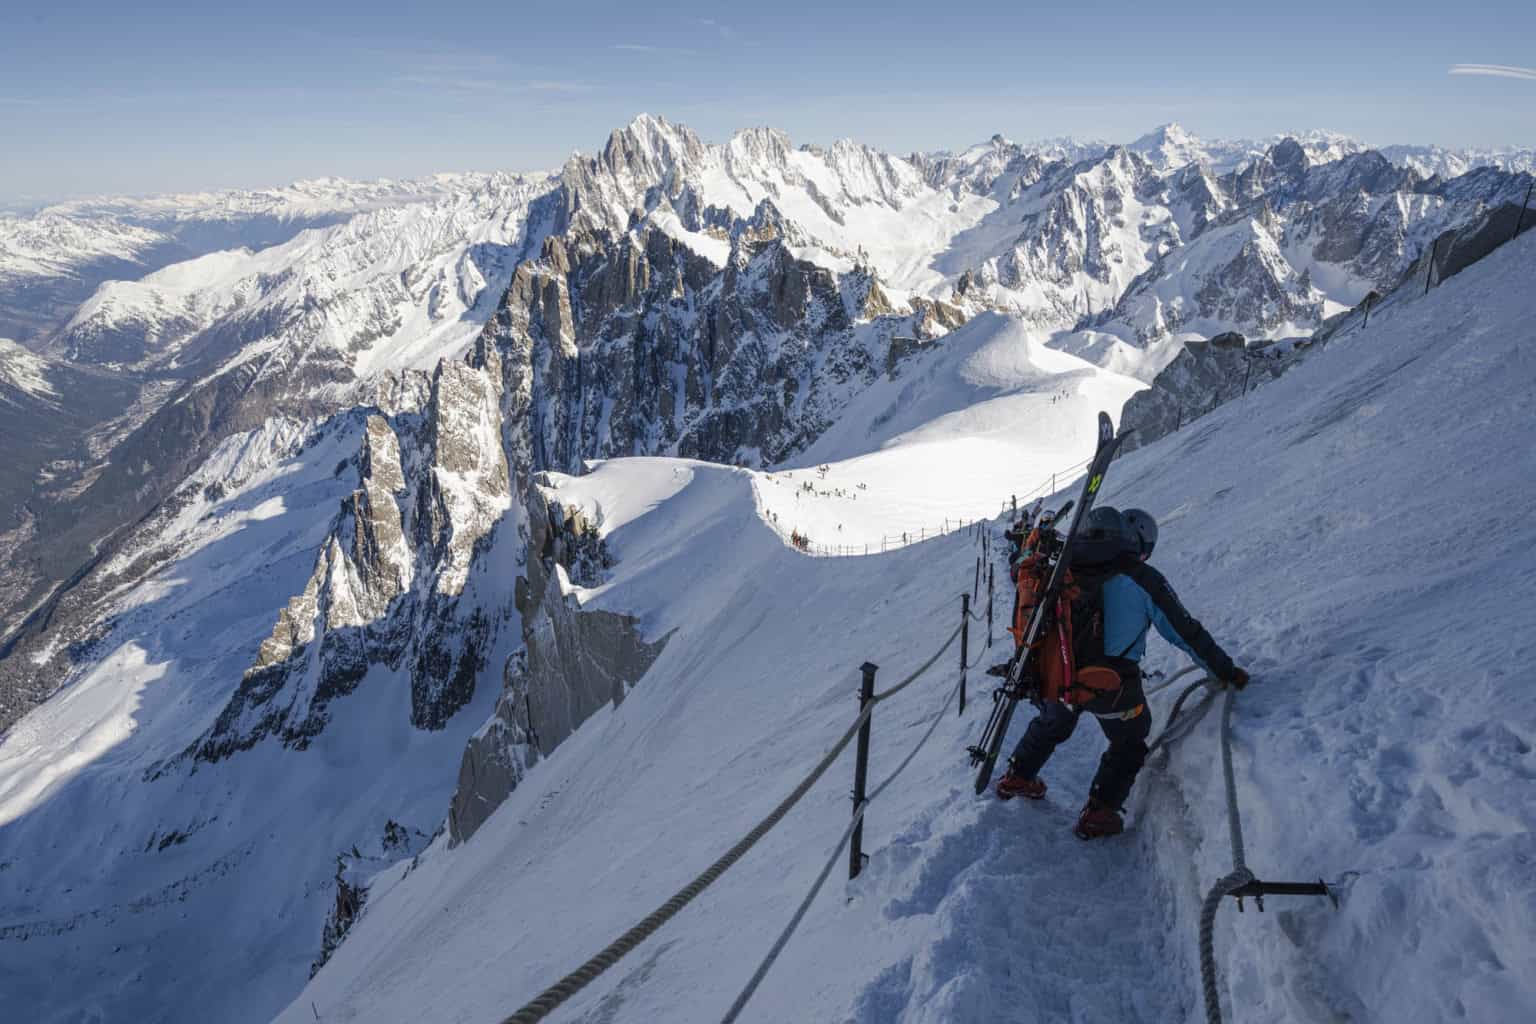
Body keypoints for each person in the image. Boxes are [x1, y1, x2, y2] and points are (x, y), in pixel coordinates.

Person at [995, 507, 1249, 839]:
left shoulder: (1063, 566)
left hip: (1059, 675)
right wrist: (1225, 671)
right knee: (1131, 737)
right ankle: (1099, 810)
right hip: (1111, 686)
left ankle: (1019, 775)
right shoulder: (1143, 579)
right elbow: (1185, 632)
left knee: (1053, 720)